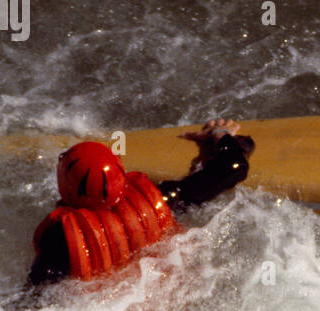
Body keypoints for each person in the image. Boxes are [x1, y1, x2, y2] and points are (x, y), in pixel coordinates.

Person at [29, 119, 255, 284]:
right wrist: (222, 136)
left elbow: (31, 303)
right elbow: (232, 169)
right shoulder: (161, 201)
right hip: (174, 295)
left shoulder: (61, 242)